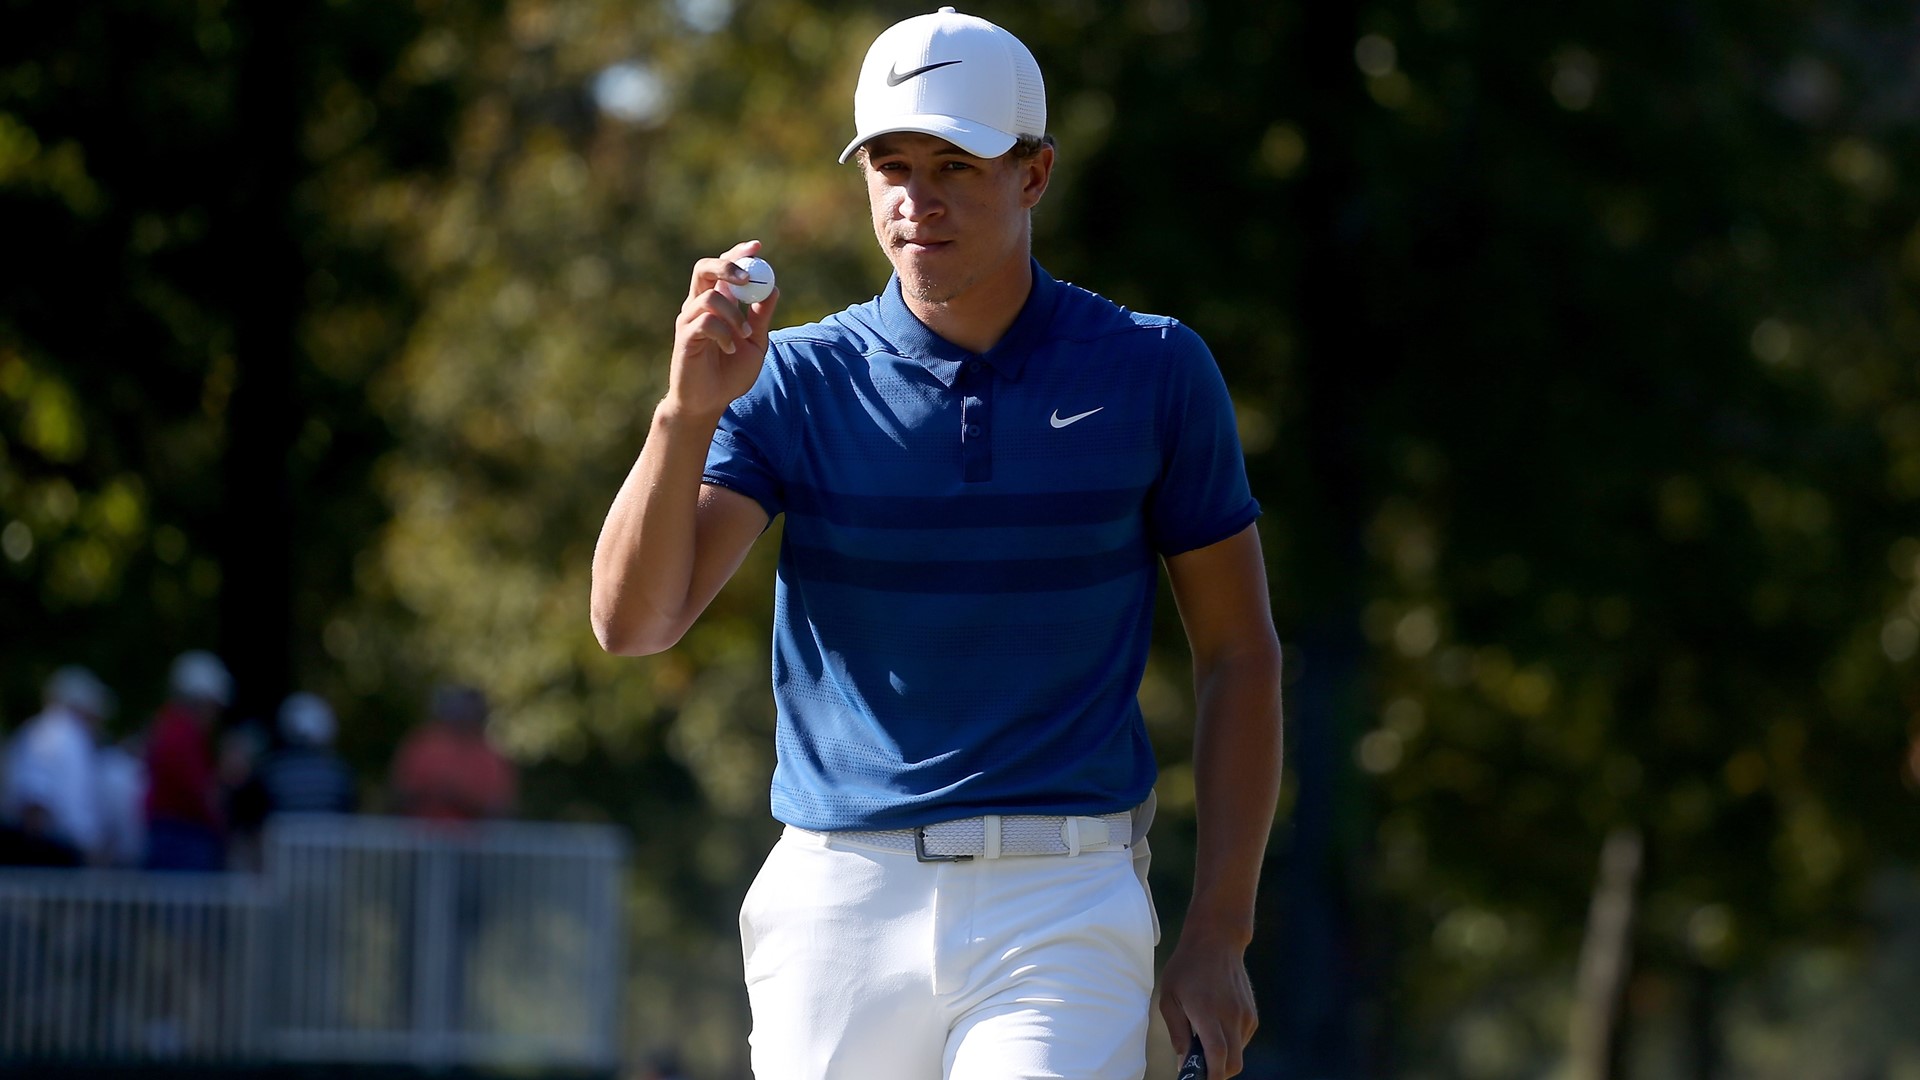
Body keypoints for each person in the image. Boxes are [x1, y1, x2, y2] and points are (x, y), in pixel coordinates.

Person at [589, 9, 1283, 1079]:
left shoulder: (1155, 371)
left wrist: (1220, 932)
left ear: (1034, 174)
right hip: (838, 902)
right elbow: (634, 623)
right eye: (893, 166)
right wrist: (685, 412)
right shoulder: (793, 381)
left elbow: (1239, 653)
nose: (918, 199)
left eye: (956, 164)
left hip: (1063, 899)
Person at [0, 666, 114, 865]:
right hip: (55, 850)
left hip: (64, 848)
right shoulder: (50, 732)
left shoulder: (68, 735)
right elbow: (34, 796)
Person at [143, 649, 233, 871]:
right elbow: (198, 792)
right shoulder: (181, 735)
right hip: (182, 837)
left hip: (177, 835)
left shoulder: (174, 729)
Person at [389, 684, 516, 822]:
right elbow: (397, 798)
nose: (461, 714)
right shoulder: (420, 746)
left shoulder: (491, 758)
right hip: (418, 832)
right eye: (456, 708)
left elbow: (499, 810)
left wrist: (461, 798)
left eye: (467, 710)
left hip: (472, 834)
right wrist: (431, 792)